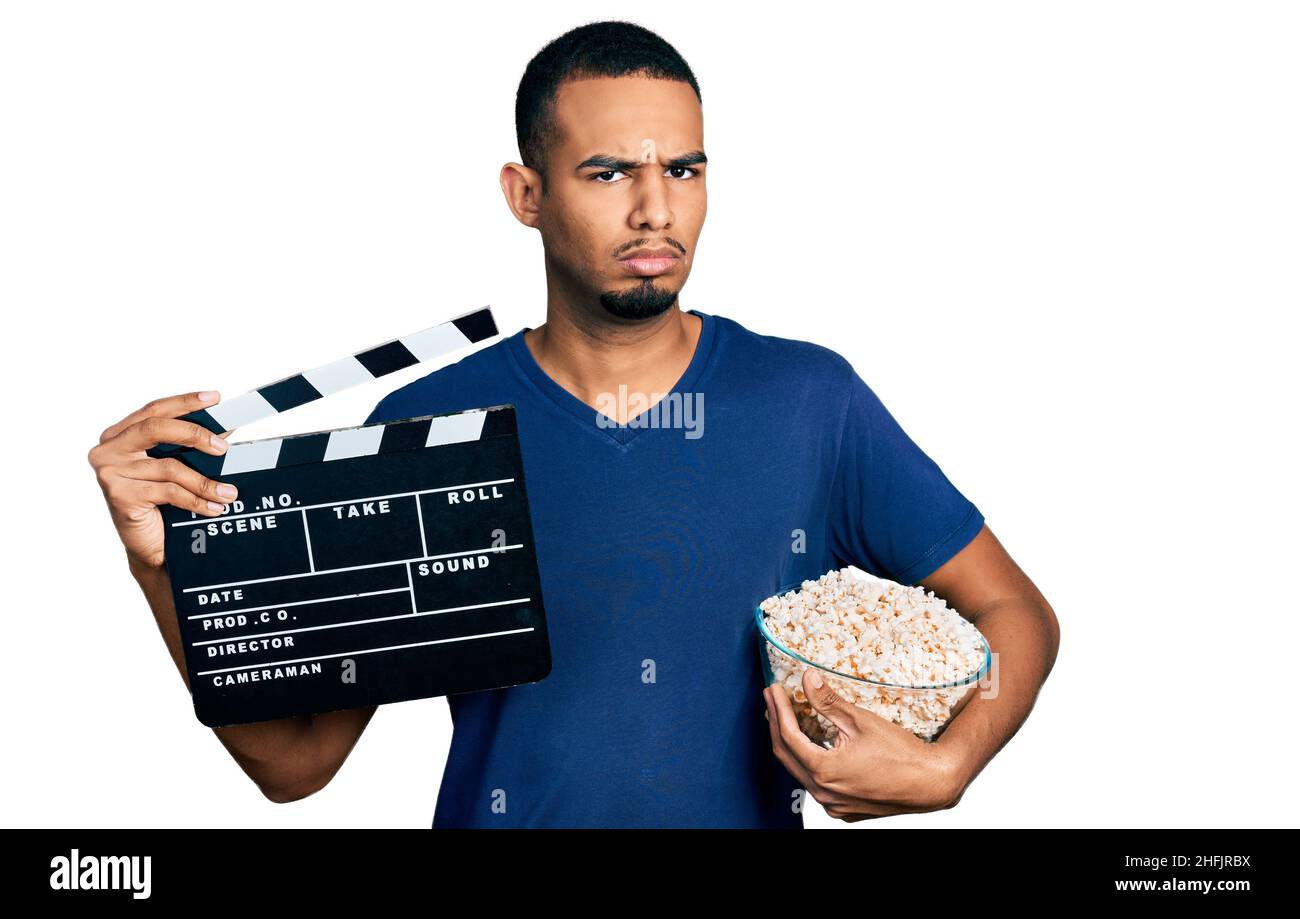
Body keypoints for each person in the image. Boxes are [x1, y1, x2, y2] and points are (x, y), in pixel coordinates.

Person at [89, 20, 1060, 828]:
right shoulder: (428, 425)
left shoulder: (807, 400)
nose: (654, 208)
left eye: (683, 169)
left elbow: (1015, 612)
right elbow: (293, 763)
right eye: (606, 174)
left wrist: (948, 764)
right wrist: (160, 567)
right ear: (526, 195)